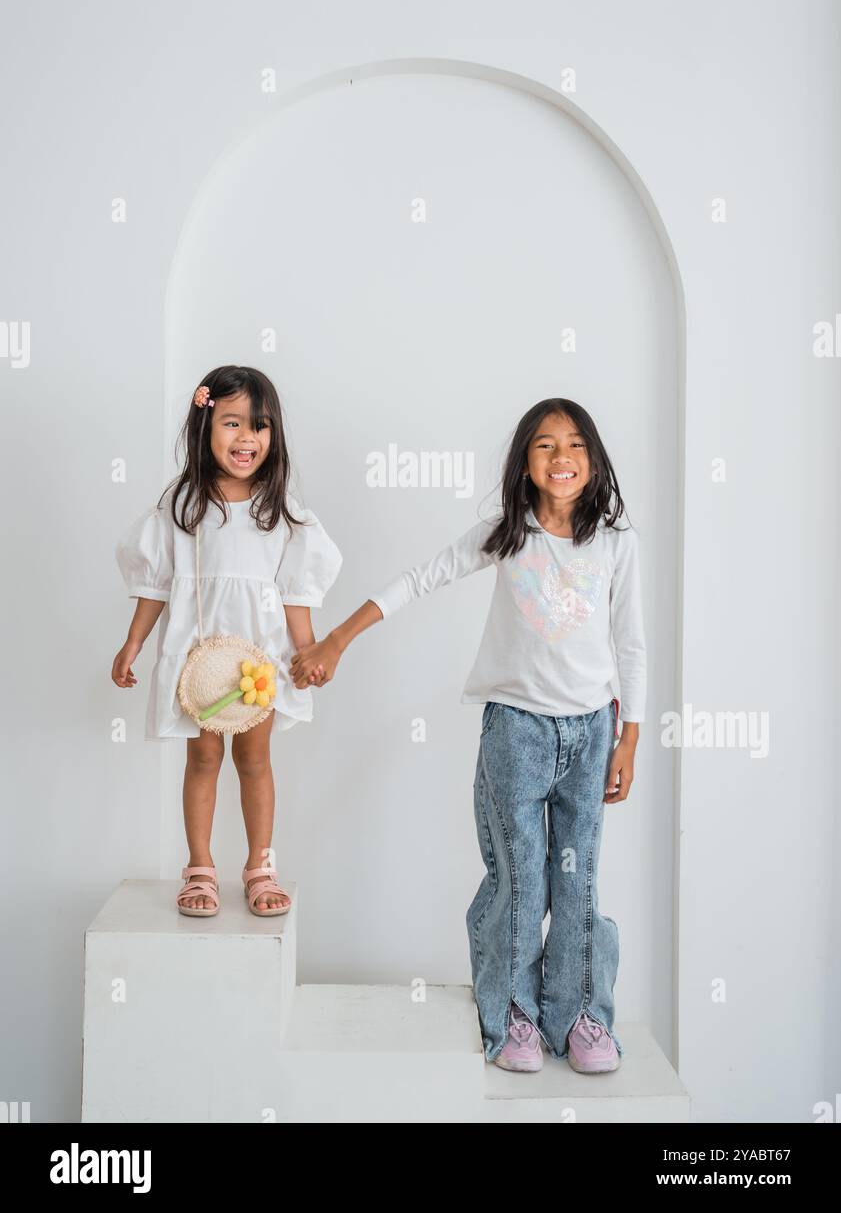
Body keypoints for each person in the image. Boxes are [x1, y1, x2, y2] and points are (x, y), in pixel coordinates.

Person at [291, 398, 645, 1074]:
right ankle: (510, 1015)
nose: (561, 457)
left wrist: (628, 737)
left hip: (592, 732)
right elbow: (420, 578)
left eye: (574, 445)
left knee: (579, 882)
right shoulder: (507, 535)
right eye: (544, 445)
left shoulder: (615, 543)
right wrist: (336, 640)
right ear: (524, 463)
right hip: (515, 729)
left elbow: (631, 643)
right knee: (519, 880)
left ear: (594, 460)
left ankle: (582, 1017)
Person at [111, 364, 341, 918]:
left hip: (257, 663)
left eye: (259, 426)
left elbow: (295, 594)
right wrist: (133, 642)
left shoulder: (280, 511)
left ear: (273, 434)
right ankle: (200, 866)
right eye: (233, 423)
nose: (247, 439)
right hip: (199, 662)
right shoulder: (183, 505)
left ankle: (260, 865)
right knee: (202, 758)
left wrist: (307, 652)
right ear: (204, 425)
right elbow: (156, 584)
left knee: (255, 759)